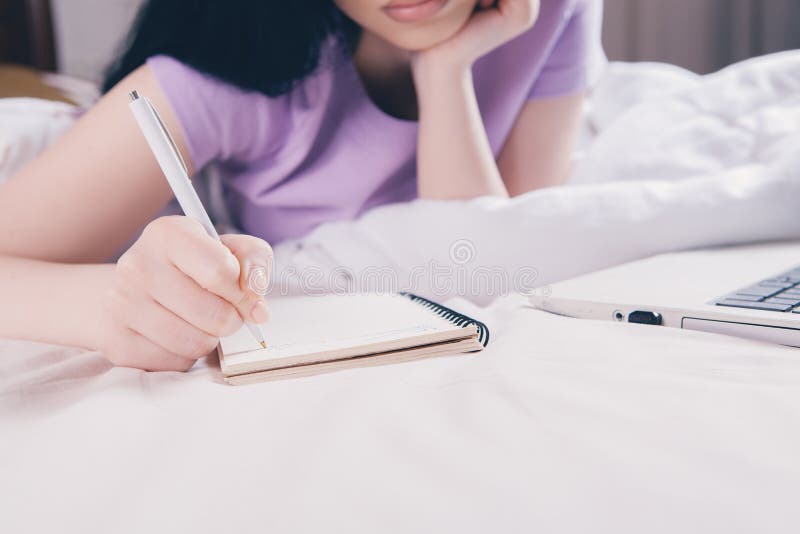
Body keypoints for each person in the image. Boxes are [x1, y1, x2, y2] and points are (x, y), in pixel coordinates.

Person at [0, 0, 606, 371]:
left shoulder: (548, 12)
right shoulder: (218, 79)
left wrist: (447, 71)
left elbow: (486, 252)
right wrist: (114, 306)